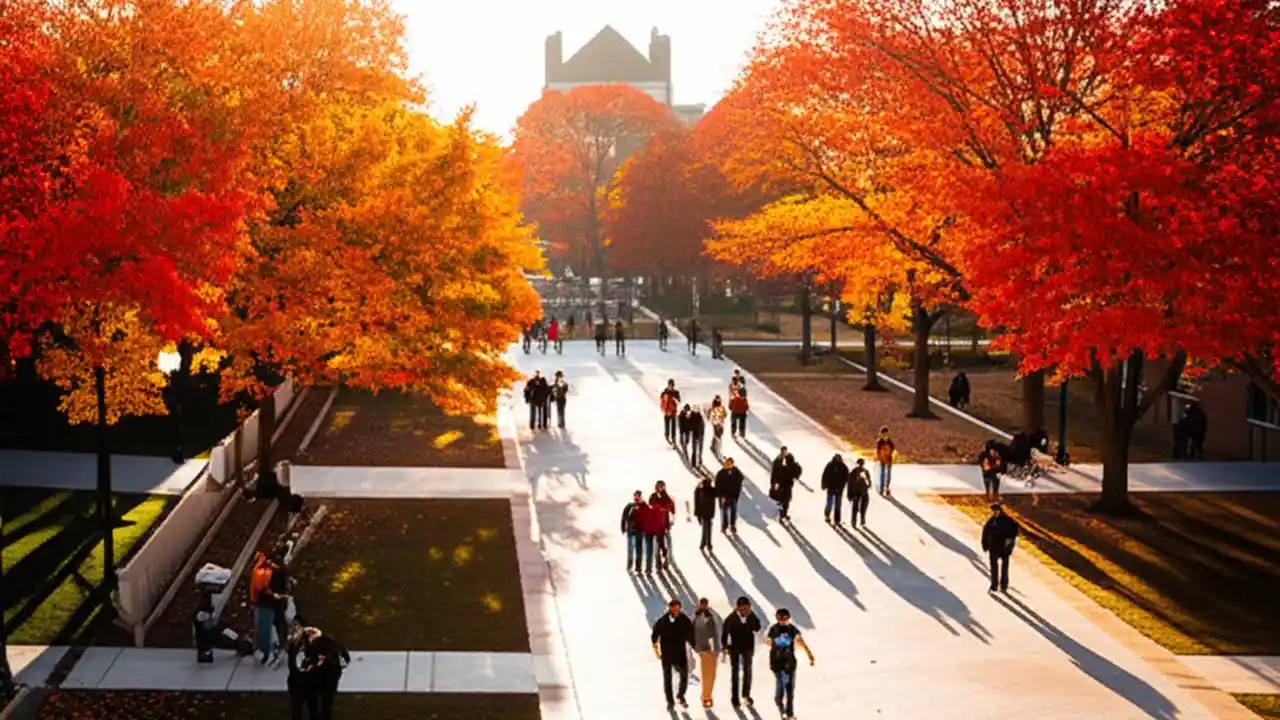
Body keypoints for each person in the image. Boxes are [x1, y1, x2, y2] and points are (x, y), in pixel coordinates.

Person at [765, 608, 814, 720]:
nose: (782, 621)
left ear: (788, 618)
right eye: (780, 618)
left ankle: (789, 713)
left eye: (785, 618)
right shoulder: (773, 629)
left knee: (790, 688)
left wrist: (809, 653)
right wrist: (774, 644)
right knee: (781, 683)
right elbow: (767, 640)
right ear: (776, 618)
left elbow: (800, 641)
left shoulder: (792, 629)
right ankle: (778, 698)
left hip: (789, 662)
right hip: (776, 662)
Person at [651, 599, 695, 710]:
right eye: (674, 608)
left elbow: (690, 632)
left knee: (684, 675)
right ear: (670, 608)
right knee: (667, 678)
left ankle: (680, 695)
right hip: (667, 654)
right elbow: (655, 633)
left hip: (680, 653)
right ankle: (670, 701)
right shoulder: (663, 621)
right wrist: (655, 646)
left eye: (677, 608)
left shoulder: (684, 619)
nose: (676, 610)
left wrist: (693, 644)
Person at [721, 596, 762, 708]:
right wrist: (725, 646)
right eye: (742, 609)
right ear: (737, 608)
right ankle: (735, 698)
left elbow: (757, 628)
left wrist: (751, 615)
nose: (745, 611)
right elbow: (724, 633)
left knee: (748, 671)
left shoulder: (751, 616)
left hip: (748, 647)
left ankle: (746, 695)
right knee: (735, 673)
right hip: (734, 647)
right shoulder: (731, 618)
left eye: (747, 608)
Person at [302, 626, 350, 720]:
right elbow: (345, 659)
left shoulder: (312, 645)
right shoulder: (334, 645)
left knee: (314, 702)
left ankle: (315, 715)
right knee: (327, 703)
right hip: (330, 676)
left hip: (318, 676)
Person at [981, 502, 1021, 593]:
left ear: (999, 510)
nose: (993, 513)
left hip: (1003, 548)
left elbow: (1015, 531)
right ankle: (996, 584)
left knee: (1002, 567)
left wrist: (1010, 543)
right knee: (996, 566)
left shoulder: (1006, 521)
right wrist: (985, 544)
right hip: (996, 547)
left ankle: (1001, 584)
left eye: (995, 511)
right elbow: (985, 532)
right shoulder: (993, 520)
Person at [692, 598, 720, 708]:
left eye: (705, 604)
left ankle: (708, 695)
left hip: (711, 650)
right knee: (706, 675)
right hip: (701, 649)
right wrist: (695, 646)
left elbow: (716, 632)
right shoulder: (695, 617)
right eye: (702, 604)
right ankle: (705, 696)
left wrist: (717, 648)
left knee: (711, 675)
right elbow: (692, 631)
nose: (703, 606)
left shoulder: (712, 617)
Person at [285, 626, 317, 720]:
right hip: (299, 682)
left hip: (306, 682)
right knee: (299, 711)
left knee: (311, 710)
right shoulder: (294, 648)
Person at [769, 447, 801, 522]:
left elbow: (796, 469)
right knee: (783, 498)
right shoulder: (778, 460)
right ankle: (781, 513)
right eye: (783, 451)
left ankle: (783, 513)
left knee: (787, 499)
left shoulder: (789, 459)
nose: (784, 453)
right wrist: (774, 483)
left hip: (787, 483)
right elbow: (775, 473)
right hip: (781, 483)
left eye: (785, 451)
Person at [650, 480, 676, 569]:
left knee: (667, 543)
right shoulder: (653, 496)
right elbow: (651, 507)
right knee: (658, 543)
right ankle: (659, 561)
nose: (661, 488)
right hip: (657, 525)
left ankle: (667, 559)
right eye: (659, 486)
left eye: (662, 486)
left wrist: (672, 518)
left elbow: (672, 508)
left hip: (665, 524)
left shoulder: (666, 496)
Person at [638, 494, 666, 574]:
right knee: (656, 550)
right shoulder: (658, 510)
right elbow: (661, 522)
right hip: (656, 532)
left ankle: (648, 568)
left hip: (648, 532)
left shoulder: (646, 509)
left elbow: (642, 520)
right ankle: (658, 567)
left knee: (649, 551)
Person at [715, 457, 745, 533]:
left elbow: (741, 478)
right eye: (727, 463)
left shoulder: (735, 471)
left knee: (733, 511)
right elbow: (718, 485)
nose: (728, 465)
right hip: (724, 496)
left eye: (729, 464)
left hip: (733, 495)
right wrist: (721, 496)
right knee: (724, 512)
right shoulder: (721, 473)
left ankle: (732, 525)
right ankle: (724, 526)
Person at [621, 490, 647, 573]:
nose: (637, 497)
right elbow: (624, 517)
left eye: (639, 495)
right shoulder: (629, 506)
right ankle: (629, 566)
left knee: (639, 550)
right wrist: (623, 528)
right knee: (631, 550)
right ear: (634, 496)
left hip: (639, 532)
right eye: (636, 495)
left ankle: (638, 568)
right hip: (631, 532)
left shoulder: (644, 506)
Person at [821, 454, 850, 525]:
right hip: (831, 488)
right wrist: (824, 485)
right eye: (836, 458)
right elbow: (825, 475)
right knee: (829, 503)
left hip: (839, 489)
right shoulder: (830, 465)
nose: (837, 460)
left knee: (838, 505)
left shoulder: (843, 467)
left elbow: (847, 478)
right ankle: (827, 515)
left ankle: (837, 520)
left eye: (839, 458)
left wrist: (843, 486)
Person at [693, 475, 717, 552]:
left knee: (706, 527)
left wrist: (697, 513)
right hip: (706, 512)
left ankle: (705, 544)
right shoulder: (707, 490)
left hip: (704, 512)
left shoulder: (700, 490)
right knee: (707, 528)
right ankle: (707, 544)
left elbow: (696, 501)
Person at [847, 458, 872, 527]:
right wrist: (849, 494)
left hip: (862, 492)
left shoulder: (865, 472)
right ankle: (854, 521)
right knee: (856, 507)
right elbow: (850, 484)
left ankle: (861, 519)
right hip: (856, 492)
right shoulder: (853, 472)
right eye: (860, 464)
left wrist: (866, 481)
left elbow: (869, 483)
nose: (860, 466)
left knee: (863, 506)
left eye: (861, 464)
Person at [875, 426, 896, 497]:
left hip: (889, 460)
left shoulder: (890, 443)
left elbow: (893, 451)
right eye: (884, 434)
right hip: (882, 460)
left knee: (888, 475)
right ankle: (881, 488)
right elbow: (878, 452)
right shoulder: (879, 442)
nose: (885, 436)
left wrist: (890, 457)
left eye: (886, 434)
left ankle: (886, 488)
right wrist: (879, 459)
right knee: (882, 474)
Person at [660, 380, 681, 445]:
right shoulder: (664, 393)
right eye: (670, 385)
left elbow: (678, 402)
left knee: (673, 426)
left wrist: (675, 400)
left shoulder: (676, 393)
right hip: (667, 413)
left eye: (672, 385)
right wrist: (665, 411)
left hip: (673, 413)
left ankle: (673, 438)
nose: (671, 386)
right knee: (667, 427)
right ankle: (667, 436)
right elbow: (662, 403)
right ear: (668, 385)